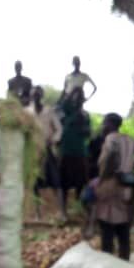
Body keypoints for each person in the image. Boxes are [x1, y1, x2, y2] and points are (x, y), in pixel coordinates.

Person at [92, 113, 134, 260]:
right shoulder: (129, 140)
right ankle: (124, 263)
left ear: (110, 124)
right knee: (124, 232)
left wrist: (105, 175)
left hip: (110, 187)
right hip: (126, 188)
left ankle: (107, 263)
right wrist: (133, 166)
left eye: (104, 123)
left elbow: (111, 153)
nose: (102, 126)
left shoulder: (110, 139)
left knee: (107, 230)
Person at [56, 88, 92, 222]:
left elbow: (88, 134)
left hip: (80, 152)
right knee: (63, 183)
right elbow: (62, 104)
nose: (77, 100)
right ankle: (63, 212)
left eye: (80, 98)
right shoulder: (66, 111)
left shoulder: (85, 115)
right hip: (65, 151)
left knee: (80, 182)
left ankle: (78, 210)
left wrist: (84, 128)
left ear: (83, 100)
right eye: (75, 98)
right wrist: (72, 91)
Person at [28, 86, 62, 220]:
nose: (36, 97)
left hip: (47, 149)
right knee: (35, 184)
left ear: (41, 96)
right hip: (33, 151)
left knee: (55, 180)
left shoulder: (49, 111)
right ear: (31, 97)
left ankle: (60, 211)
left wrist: (53, 140)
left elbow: (59, 129)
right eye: (34, 95)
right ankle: (37, 214)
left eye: (38, 95)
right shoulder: (27, 113)